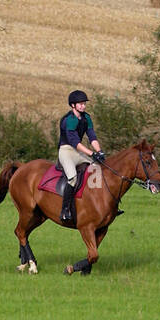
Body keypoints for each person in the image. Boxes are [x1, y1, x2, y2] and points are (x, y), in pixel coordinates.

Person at [58, 90, 103, 223]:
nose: (83, 106)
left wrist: (99, 151)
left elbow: (92, 136)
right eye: (81, 104)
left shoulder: (86, 118)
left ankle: (99, 204)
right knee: (72, 178)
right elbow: (74, 142)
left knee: (97, 168)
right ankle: (65, 210)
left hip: (78, 152)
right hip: (66, 151)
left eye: (84, 103)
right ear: (73, 105)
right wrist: (92, 154)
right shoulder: (69, 120)